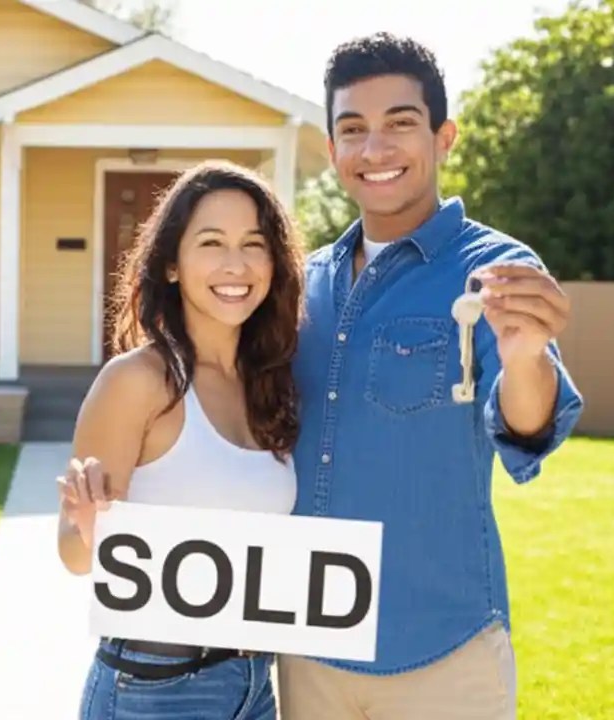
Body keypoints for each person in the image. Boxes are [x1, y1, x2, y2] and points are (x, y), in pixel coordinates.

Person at [63, 32, 585, 720]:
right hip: (305, 656)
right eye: (353, 130)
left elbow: (527, 424)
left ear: (444, 136)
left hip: (439, 646)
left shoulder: (490, 271)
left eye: (400, 124)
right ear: (332, 147)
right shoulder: (300, 291)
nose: (376, 151)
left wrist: (524, 359)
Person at [57, 160, 306, 720]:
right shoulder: (137, 382)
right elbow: (72, 553)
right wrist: (97, 529)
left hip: (252, 684)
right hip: (156, 687)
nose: (235, 264)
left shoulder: (271, 384)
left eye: (254, 244)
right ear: (171, 265)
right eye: (211, 243)